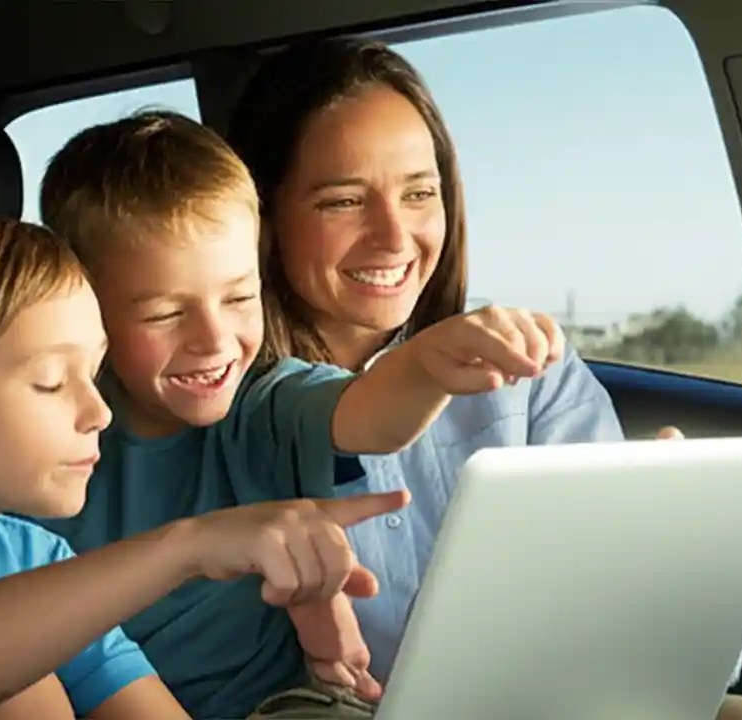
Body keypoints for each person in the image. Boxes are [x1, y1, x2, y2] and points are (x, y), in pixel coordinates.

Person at [226, 36, 742, 720]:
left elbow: (655, 648)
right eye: (343, 201)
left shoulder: (528, 371)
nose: (395, 235)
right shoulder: (235, 411)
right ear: (263, 219)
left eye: (421, 193)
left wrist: (666, 543)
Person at [0, 208, 410, 719]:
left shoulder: (36, 561)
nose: (99, 412)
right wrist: (191, 544)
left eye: (94, 373)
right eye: (52, 381)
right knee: (13, 690)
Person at [36, 110, 568, 719]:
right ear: (82, 310)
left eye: (239, 298)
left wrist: (425, 365)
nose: (214, 340)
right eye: (163, 314)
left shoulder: (260, 402)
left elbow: (359, 413)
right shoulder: (47, 451)